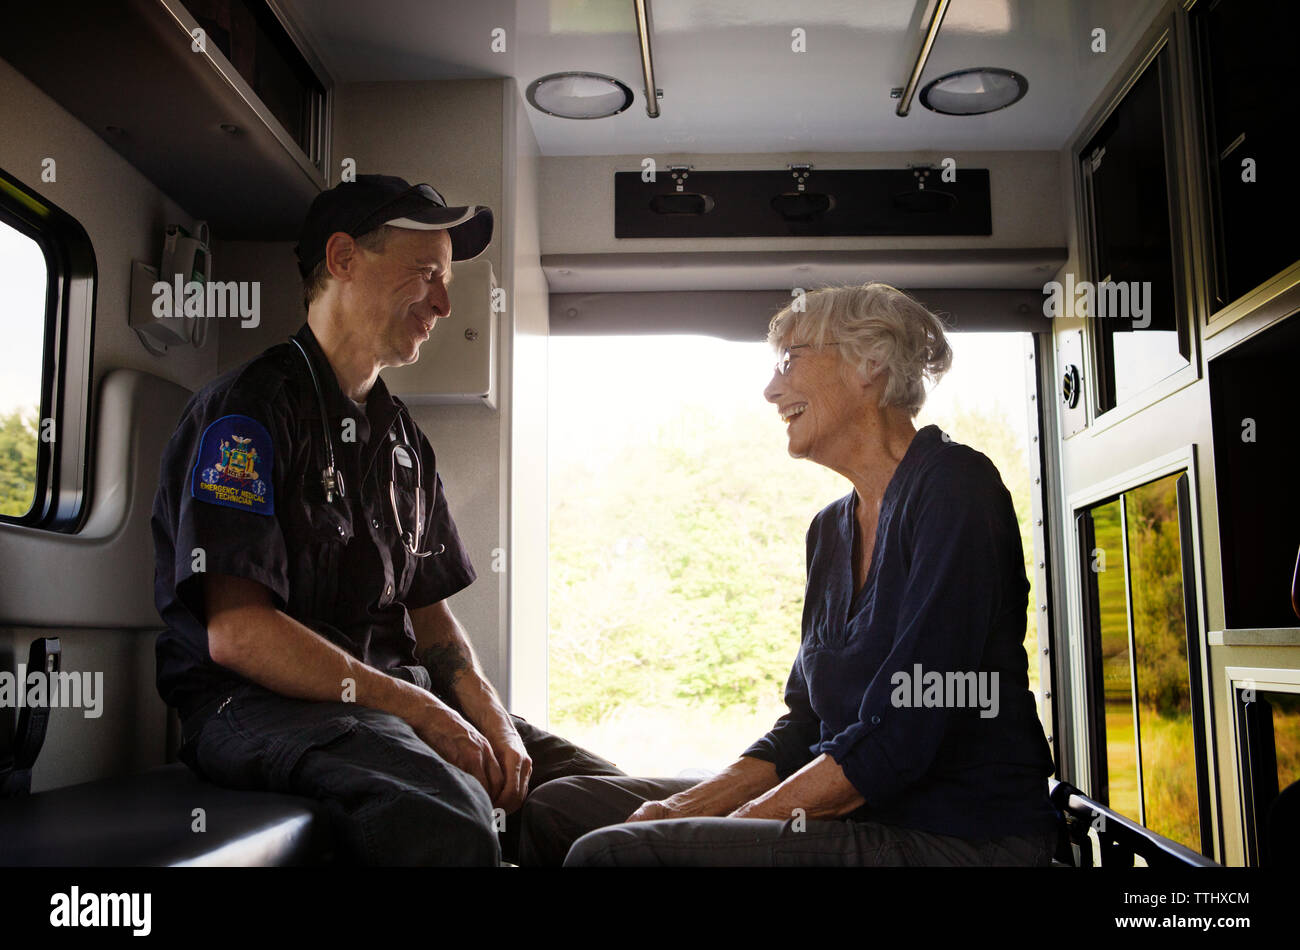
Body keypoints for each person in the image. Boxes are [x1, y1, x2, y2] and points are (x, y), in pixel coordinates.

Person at [152, 174, 620, 865]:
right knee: (449, 809)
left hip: (391, 700)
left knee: (607, 804)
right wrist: (421, 710)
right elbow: (238, 634)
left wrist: (487, 713)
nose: (444, 301)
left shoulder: (402, 438)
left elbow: (427, 614)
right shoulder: (246, 414)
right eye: (427, 274)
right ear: (343, 259)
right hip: (255, 707)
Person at [519, 282, 1059, 866]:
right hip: (862, 817)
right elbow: (805, 723)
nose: (771, 389)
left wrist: (734, 824)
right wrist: (684, 809)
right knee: (557, 809)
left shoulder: (955, 487)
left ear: (870, 364)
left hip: (960, 835)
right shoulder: (829, 531)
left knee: (612, 857)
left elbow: (906, 729)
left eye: (789, 360)